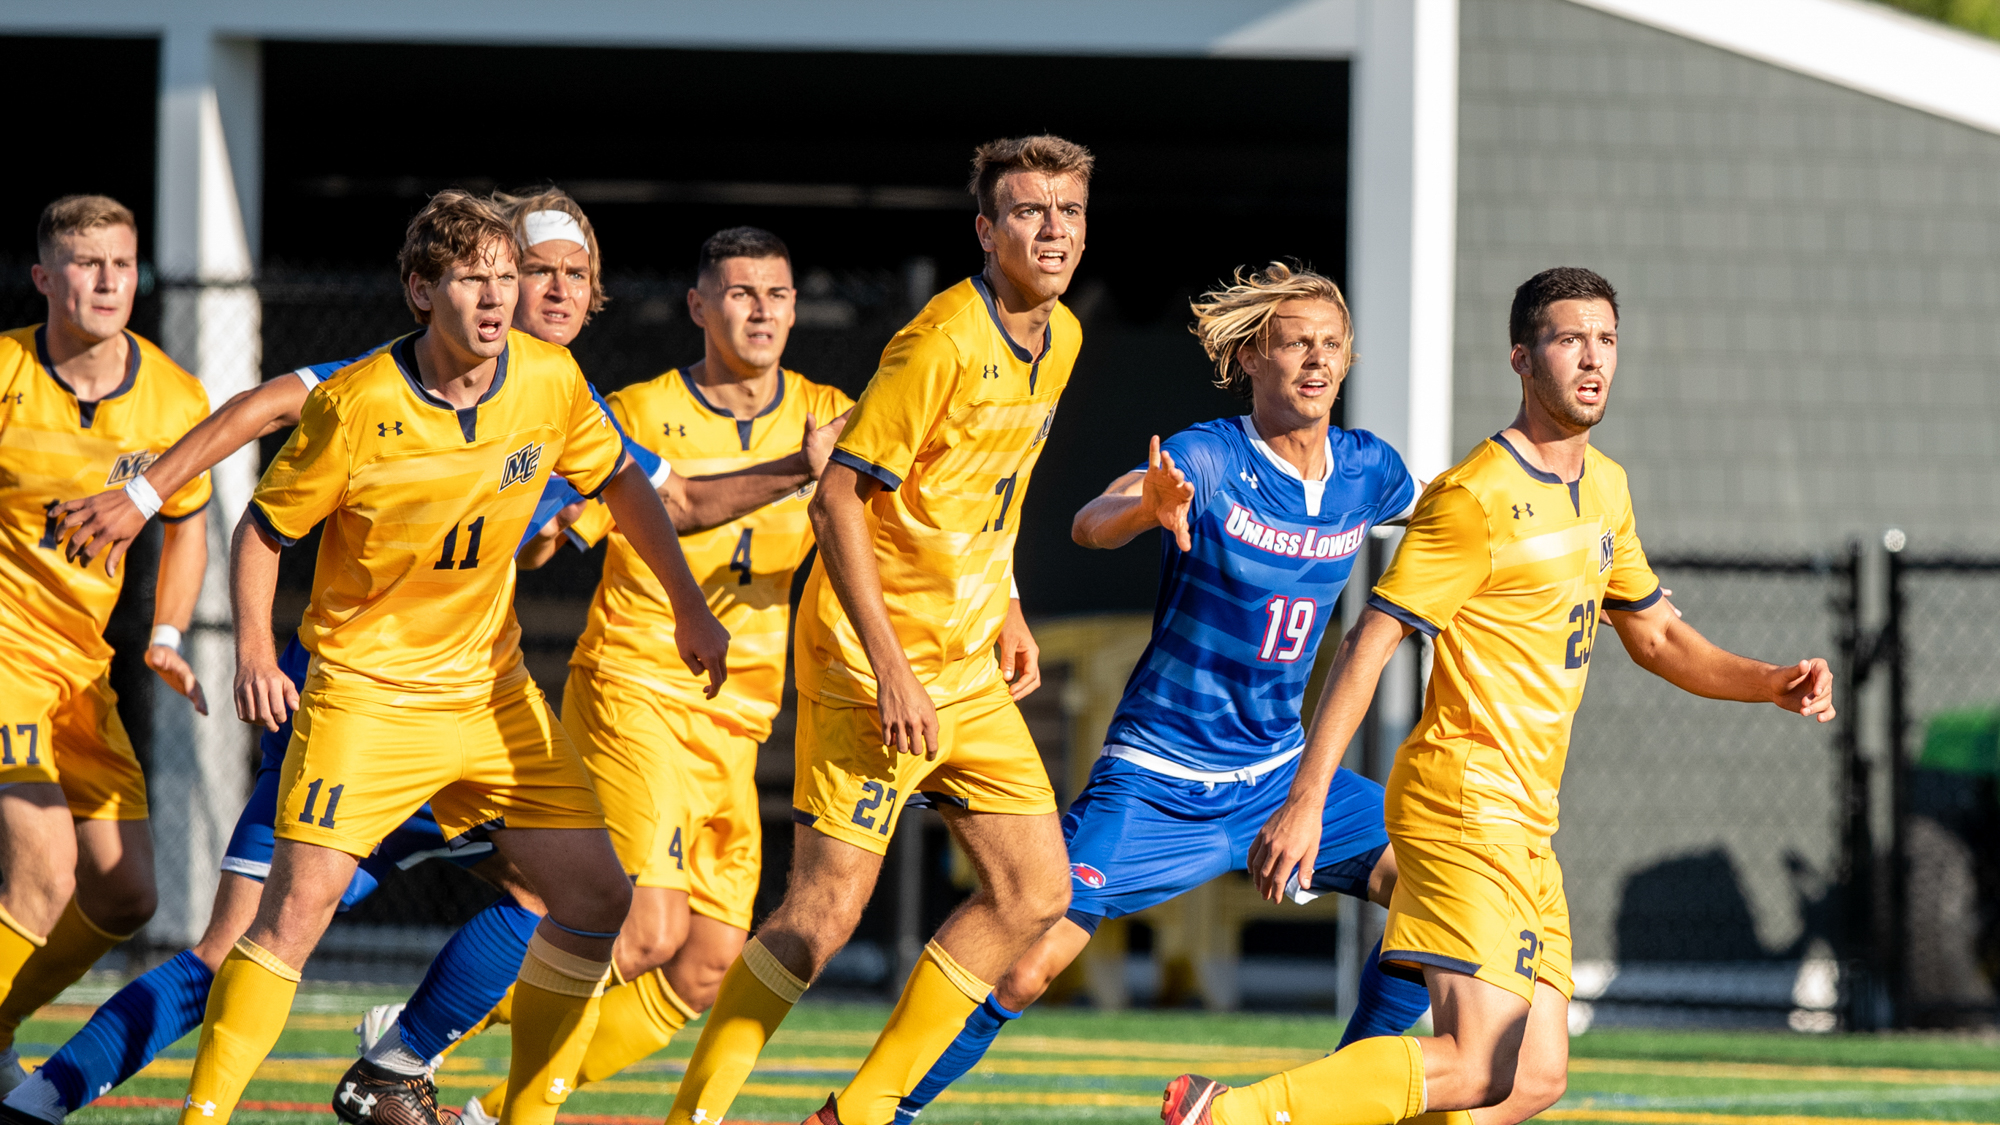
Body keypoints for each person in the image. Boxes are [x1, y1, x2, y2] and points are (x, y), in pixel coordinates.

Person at [1161, 267, 1836, 1125]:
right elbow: (1370, 643)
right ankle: (1228, 1116)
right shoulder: (1475, 498)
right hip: (1461, 805)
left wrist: (1770, 681)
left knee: (1535, 1076)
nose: (1592, 359)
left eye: (1606, 340)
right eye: (1567, 339)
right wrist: (1306, 802)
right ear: (1522, 358)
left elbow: (1659, 637)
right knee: (1476, 1061)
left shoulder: (1607, 490)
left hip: (1529, 824)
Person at [174, 190, 730, 1125]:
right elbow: (265, 533)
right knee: (288, 921)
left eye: (506, 277)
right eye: (473, 278)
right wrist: (258, 653)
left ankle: (444, 1087)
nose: (496, 298)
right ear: (418, 290)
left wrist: (689, 605)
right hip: (366, 698)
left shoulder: (549, 381)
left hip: (492, 698)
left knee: (596, 900)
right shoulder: (357, 405)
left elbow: (625, 482)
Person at [891, 263, 1433, 1124]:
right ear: (1252, 357)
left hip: (1282, 777)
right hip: (1157, 776)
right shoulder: (1210, 456)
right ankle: (889, 1109)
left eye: (1332, 344)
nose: (1317, 360)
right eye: (1296, 342)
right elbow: (1089, 521)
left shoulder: (1370, 471)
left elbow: (1452, 517)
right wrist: (1147, 506)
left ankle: (1340, 1102)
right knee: (1028, 957)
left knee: (1435, 893)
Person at [665, 133, 1087, 1125]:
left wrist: (1011, 603)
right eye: (1028, 212)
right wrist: (894, 670)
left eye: (1067, 212)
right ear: (985, 232)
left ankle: (855, 1113)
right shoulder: (937, 341)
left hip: (966, 661)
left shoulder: (1061, 335)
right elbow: (837, 501)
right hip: (871, 660)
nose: (1052, 231)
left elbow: (992, 488)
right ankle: (692, 1117)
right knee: (821, 918)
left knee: (1034, 892)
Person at [452, 225, 854, 1125]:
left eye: (778, 294)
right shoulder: (637, 411)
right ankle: (430, 1035)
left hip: (739, 717)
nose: (761, 311)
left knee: (708, 959)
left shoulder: (833, 410)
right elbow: (599, 511)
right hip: (638, 686)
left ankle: (474, 1100)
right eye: (741, 293)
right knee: (646, 929)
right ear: (698, 306)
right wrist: (550, 527)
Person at [0, 195, 213, 1088]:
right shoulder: (5, 371)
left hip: (82, 672)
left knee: (128, 893)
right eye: (85, 264)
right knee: (44, 862)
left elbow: (190, 523)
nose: (106, 281)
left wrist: (165, 634)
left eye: (121, 264)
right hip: (5, 654)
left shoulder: (172, 395)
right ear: (46, 277)